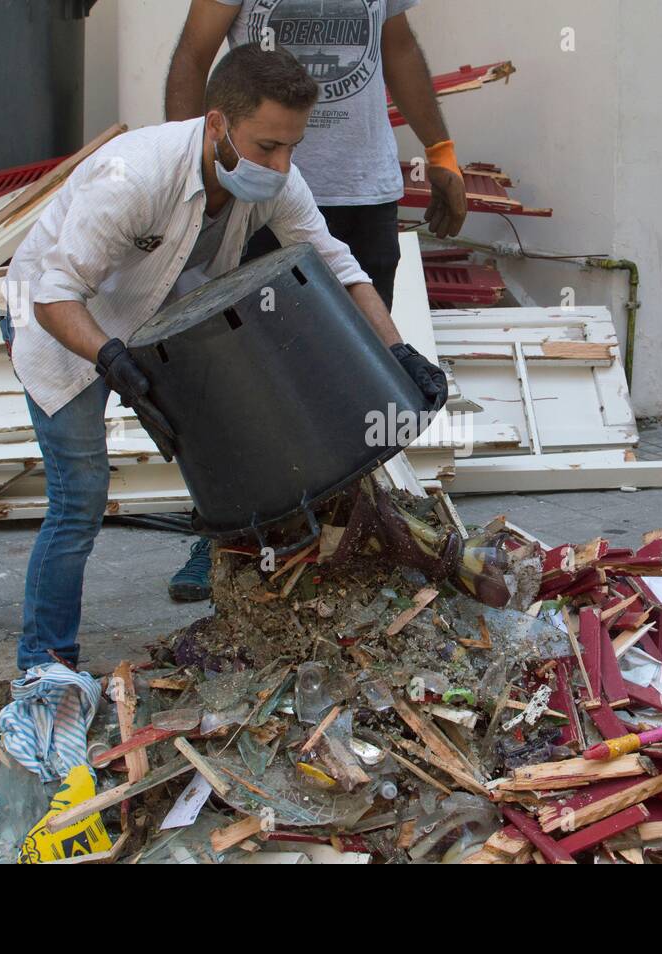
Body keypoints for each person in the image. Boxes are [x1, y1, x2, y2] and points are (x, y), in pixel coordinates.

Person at [0, 44, 446, 671]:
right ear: (217, 124)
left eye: (292, 147)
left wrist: (399, 352)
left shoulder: (277, 179)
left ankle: (249, 611)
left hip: (154, 317)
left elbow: (337, 265)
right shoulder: (134, 178)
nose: (281, 164)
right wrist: (112, 361)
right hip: (60, 323)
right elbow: (53, 295)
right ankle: (45, 662)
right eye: (267, 147)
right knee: (79, 499)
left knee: (234, 442)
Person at [162, 0, 465, 600]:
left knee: (355, 373)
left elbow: (398, 45)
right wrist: (192, 166)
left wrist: (440, 150)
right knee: (240, 373)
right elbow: (194, 55)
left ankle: (349, 533)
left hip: (361, 190)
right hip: (257, 192)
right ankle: (231, 540)